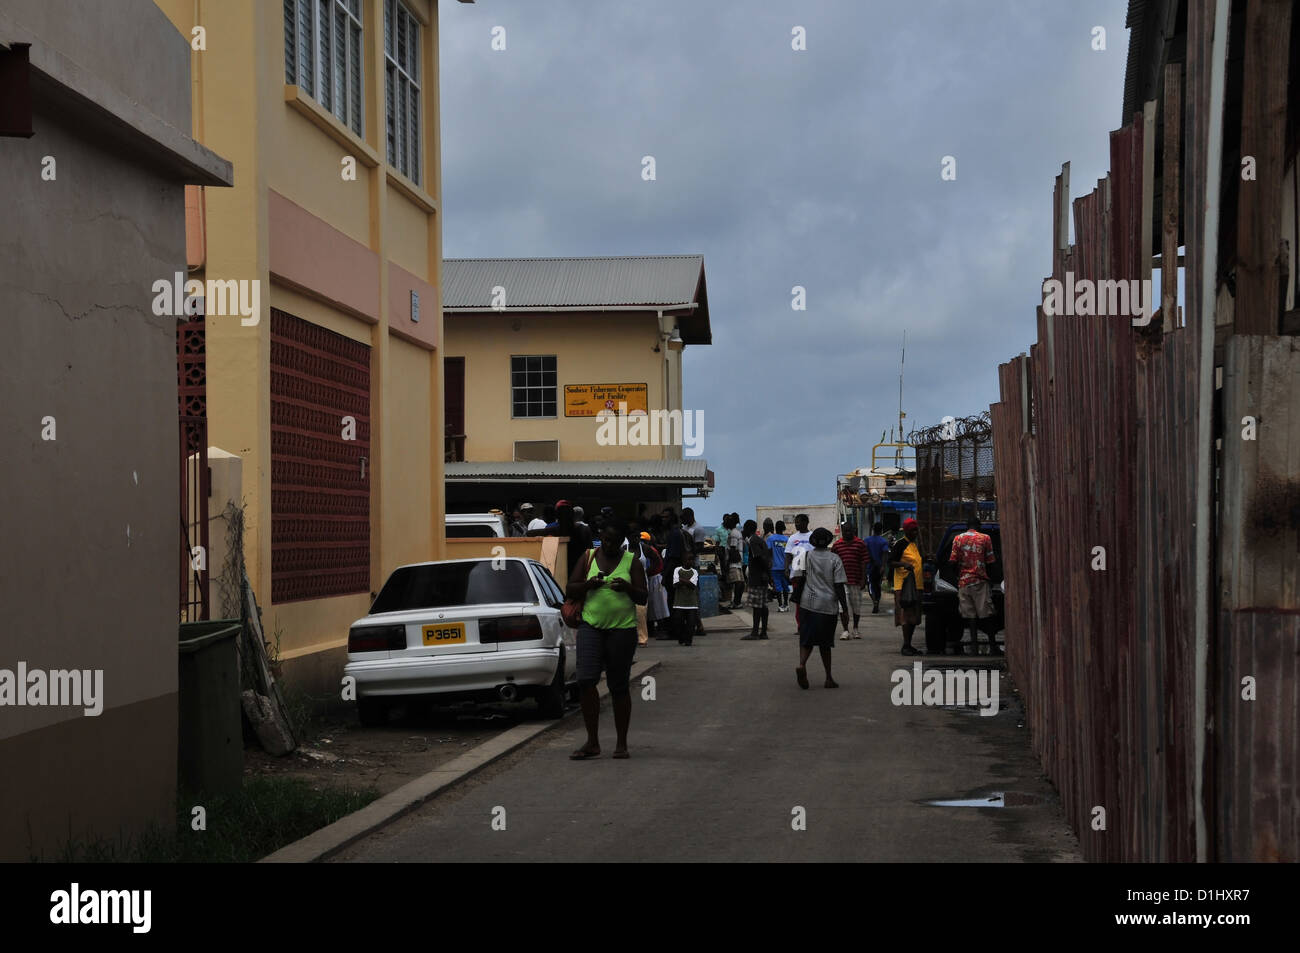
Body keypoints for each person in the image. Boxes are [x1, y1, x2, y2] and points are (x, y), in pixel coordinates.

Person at [567, 520, 647, 760]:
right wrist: (589, 585)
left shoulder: (631, 561)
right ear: (600, 536)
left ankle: (621, 744)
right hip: (591, 626)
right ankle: (592, 742)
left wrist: (627, 588)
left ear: (621, 540)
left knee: (618, 686)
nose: (608, 545)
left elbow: (642, 597)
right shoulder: (589, 557)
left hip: (622, 630)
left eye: (613, 541)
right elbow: (570, 589)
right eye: (605, 540)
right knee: (586, 680)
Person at [791, 527, 849, 689]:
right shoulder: (835, 559)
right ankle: (828, 678)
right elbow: (839, 586)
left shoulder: (805, 556)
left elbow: (796, 578)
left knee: (806, 639)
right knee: (825, 643)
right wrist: (844, 608)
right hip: (827, 605)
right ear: (829, 541)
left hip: (807, 604)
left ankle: (802, 664)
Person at [947, 516, 1000, 656]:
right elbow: (991, 561)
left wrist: (958, 577)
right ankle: (993, 645)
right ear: (979, 526)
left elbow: (952, 562)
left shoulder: (958, 539)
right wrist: (993, 580)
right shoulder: (985, 538)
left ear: (967, 526)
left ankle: (974, 646)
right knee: (987, 614)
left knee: (971, 616)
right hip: (980, 582)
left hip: (964, 582)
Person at [888, 518, 924, 656]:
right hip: (904, 586)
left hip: (917, 585)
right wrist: (904, 565)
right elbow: (890, 562)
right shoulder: (900, 544)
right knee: (906, 615)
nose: (915, 532)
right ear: (907, 531)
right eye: (912, 530)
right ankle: (905, 645)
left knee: (914, 616)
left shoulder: (915, 545)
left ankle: (909, 644)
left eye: (916, 530)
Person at [831, 521, 871, 639]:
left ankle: (856, 628)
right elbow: (832, 562)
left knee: (856, 607)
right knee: (842, 607)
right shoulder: (837, 545)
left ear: (853, 530)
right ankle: (845, 630)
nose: (847, 533)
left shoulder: (860, 544)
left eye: (849, 531)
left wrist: (864, 579)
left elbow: (864, 562)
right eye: (845, 531)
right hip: (841, 582)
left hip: (856, 580)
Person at [741, 519, 772, 640]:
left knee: (757, 606)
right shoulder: (760, 540)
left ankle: (755, 632)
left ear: (748, 529)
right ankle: (763, 632)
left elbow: (759, 558)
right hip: (763, 576)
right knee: (763, 605)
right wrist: (769, 575)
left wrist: (766, 574)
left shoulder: (753, 541)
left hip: (757, 577)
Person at [551, 501, 592, 580]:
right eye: (562, 514)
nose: (564, 517)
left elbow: (589, 553)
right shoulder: (554, 531)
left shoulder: (583, 530)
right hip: (560, 574)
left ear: (572, 515)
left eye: (566, 513)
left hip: (580, 574)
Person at [641, 531, 671, 636]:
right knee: (653, 605)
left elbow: (656, 565)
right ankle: (652, 629)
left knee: (659, 605)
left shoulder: (650, 550)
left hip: (655, 578)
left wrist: (644, 573)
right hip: (650, 578)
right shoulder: (645, 550)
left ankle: (662, 629)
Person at [672, 552, 700, 646]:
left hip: (692, 603)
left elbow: (693, 585)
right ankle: (681, 637)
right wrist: (687, 582)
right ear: (684, 561)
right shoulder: (677, 569)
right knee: (678, 621)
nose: (691, 561)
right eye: (689, 559)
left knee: (691, 623)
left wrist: (681, 580)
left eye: (692, 559)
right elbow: (675, 584)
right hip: (679, 602)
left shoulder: (694, 571)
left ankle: (688, 640)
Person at [863, 522, 890, 614]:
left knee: (870, 585)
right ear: (881, 530)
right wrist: (883, 566)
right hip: (879, 568)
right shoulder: (883, 541)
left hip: (869, 567)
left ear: (873, 529)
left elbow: (864, 553)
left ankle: (874, 600)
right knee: (877, 585)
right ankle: (877, 602)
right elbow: (885, 554)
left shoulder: (866, 540)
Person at [784, 514, 813, 589]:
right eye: (795, 522)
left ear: (805, 523)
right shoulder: (792, 538)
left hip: (811, 573)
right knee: (797, 597)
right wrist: (786, 569)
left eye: (798, 522)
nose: (796, 524)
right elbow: (788, 554)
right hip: (796, 573)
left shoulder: (812, 536)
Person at [767, 520, 790, 611]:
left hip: (775, 567)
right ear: (784, 528)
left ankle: (780, 605)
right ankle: (786, 604)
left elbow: (768, 552)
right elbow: (789, 554)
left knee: (777, 587)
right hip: (785, 567)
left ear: (775, 528)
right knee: (785, 586)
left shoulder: (771, 539)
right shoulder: (787, 539)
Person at [726, 514, 745, 608]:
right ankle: (737, 601)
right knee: (740, 582)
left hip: (734, 562)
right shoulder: (737, 532)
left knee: (738, 582)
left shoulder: (733, 533)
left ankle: (736, 602)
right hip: (738, 561)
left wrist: (728, 562)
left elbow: (733, 548)